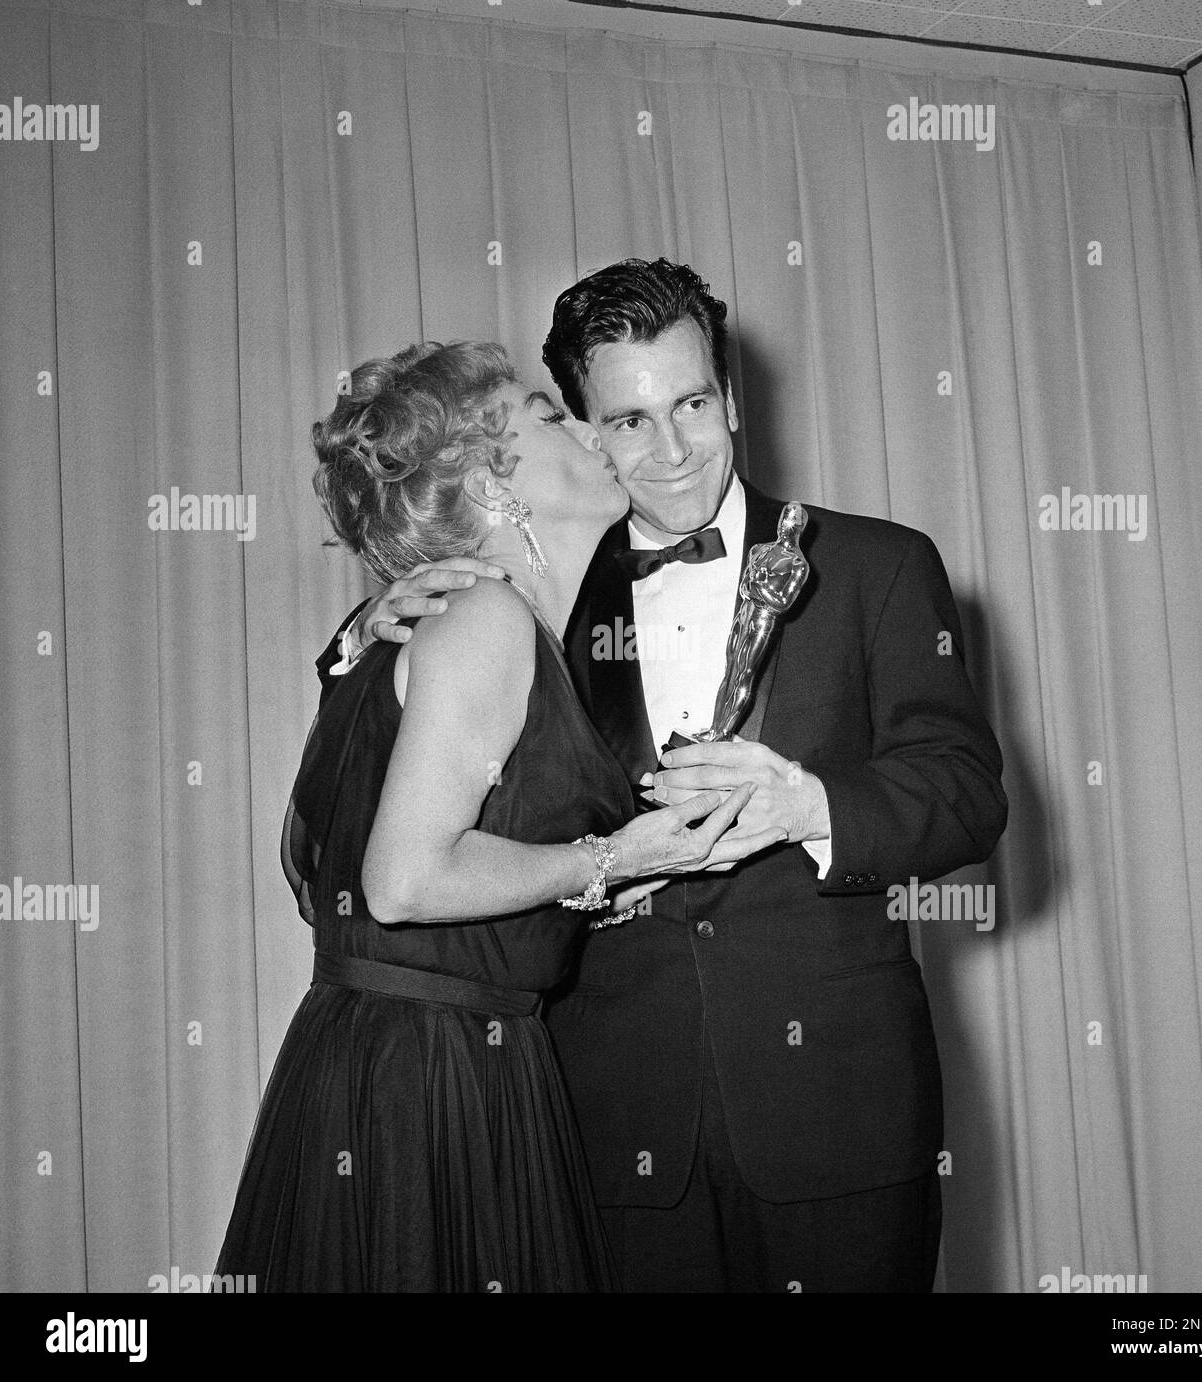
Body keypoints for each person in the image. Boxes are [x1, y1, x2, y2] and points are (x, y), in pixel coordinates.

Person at [332, 260, 1009, 1291]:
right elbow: (407, 760)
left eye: (691, 402)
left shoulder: (880, 564)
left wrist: (808, 804)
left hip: (839, 1111)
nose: (674, 446)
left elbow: (966, 791)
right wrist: (360, 631)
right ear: (589, 430)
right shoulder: (525, 594)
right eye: (628, 420)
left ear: (730, 394)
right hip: (607, 1120)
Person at [217, 340, 783, 1292]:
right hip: (433, 1085)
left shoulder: (445, 619)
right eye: (548, 414)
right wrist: (618, 856)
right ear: (492, 481)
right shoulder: (482, 615)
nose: (587, 429)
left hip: (413, 1064)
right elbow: (401, 884)